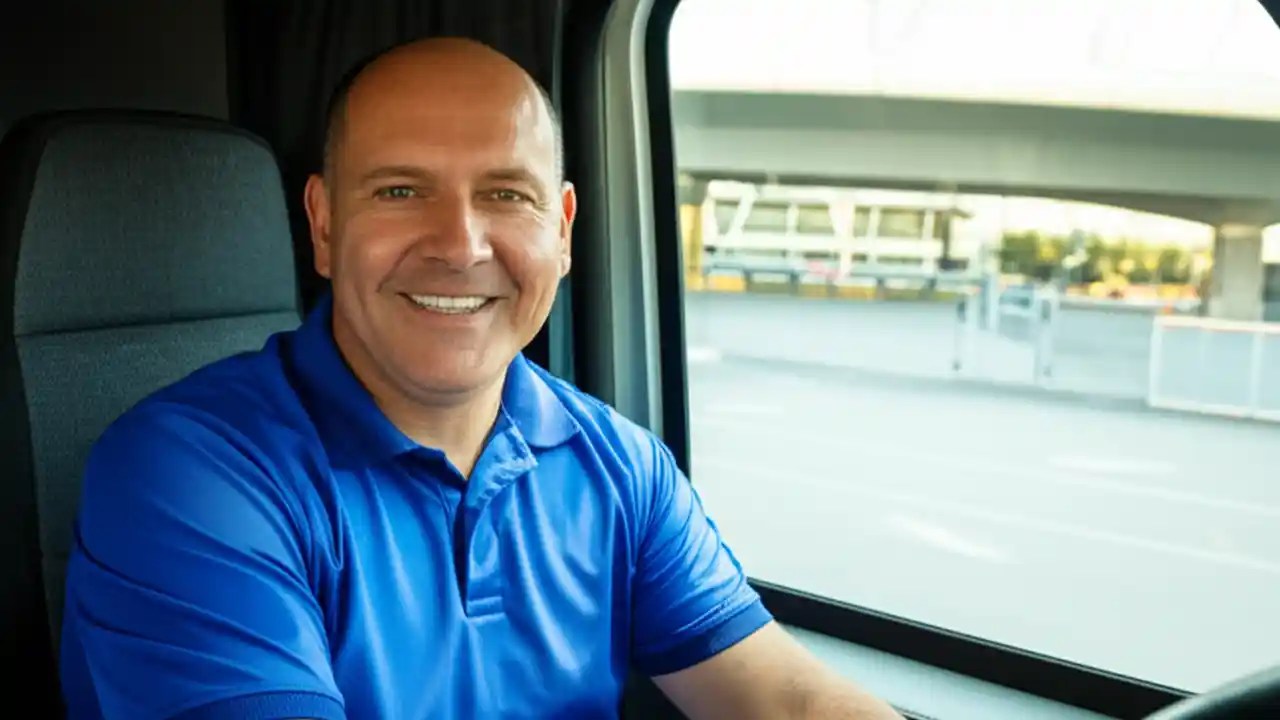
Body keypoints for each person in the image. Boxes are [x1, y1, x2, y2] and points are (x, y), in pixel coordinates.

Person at [58, 37, 903, 720]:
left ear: (563, 231)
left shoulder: (624, 469)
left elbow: (783, 699)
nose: (460, 244)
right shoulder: (187, 475)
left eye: (506, 195)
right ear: (323, 223)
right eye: (399, 190)